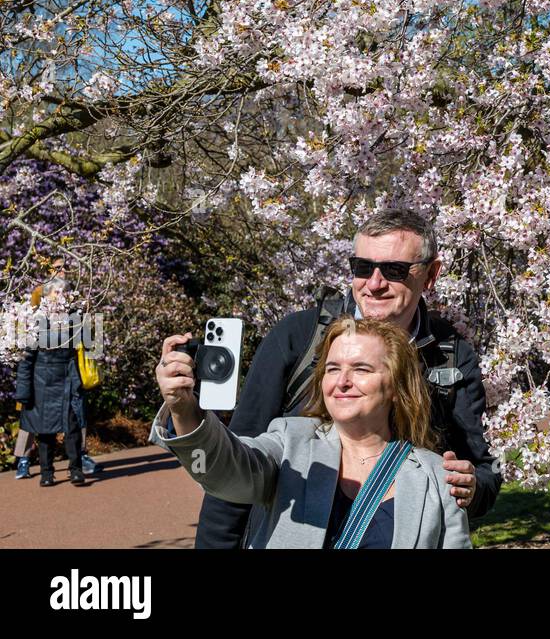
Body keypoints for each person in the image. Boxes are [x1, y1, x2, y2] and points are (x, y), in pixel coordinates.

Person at [194, 207, 500, 548]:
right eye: (363, 268)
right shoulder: (299, 337)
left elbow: (481, 474)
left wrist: (471, 488)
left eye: (395, 270)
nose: (374, 284)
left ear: (430, 275)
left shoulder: (451, 356)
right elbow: (240, 459)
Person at [153, 317, 471, 548]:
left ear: (394, 388)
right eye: (333, 369)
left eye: (361, 369)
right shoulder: (290, 441)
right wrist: (184, 409)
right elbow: (223, 473)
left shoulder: (435, 478)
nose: (342, 381)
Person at [15, 306, 87, 487]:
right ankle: (46, 472)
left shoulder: (75, 317)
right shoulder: (35, 321)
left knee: (73, 428)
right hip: (42, 384)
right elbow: (25, 361)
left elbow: (93, 345)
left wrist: (86, 320)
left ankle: (76, 469)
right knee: (45, 432)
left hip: (69, 380)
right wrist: (23, 392)